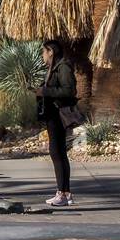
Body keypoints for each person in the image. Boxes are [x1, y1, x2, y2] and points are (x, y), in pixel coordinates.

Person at [34, 40, 79, 207]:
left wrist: (45, 91)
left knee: (56, 152)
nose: (42, 55)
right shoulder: (53, 68)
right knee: (58, 152)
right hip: (52, 115)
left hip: (58, 115)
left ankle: (62, 193)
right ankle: (65, 193)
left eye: (43, 52)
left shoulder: (63, 67)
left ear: (51, 51)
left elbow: (69, 90)